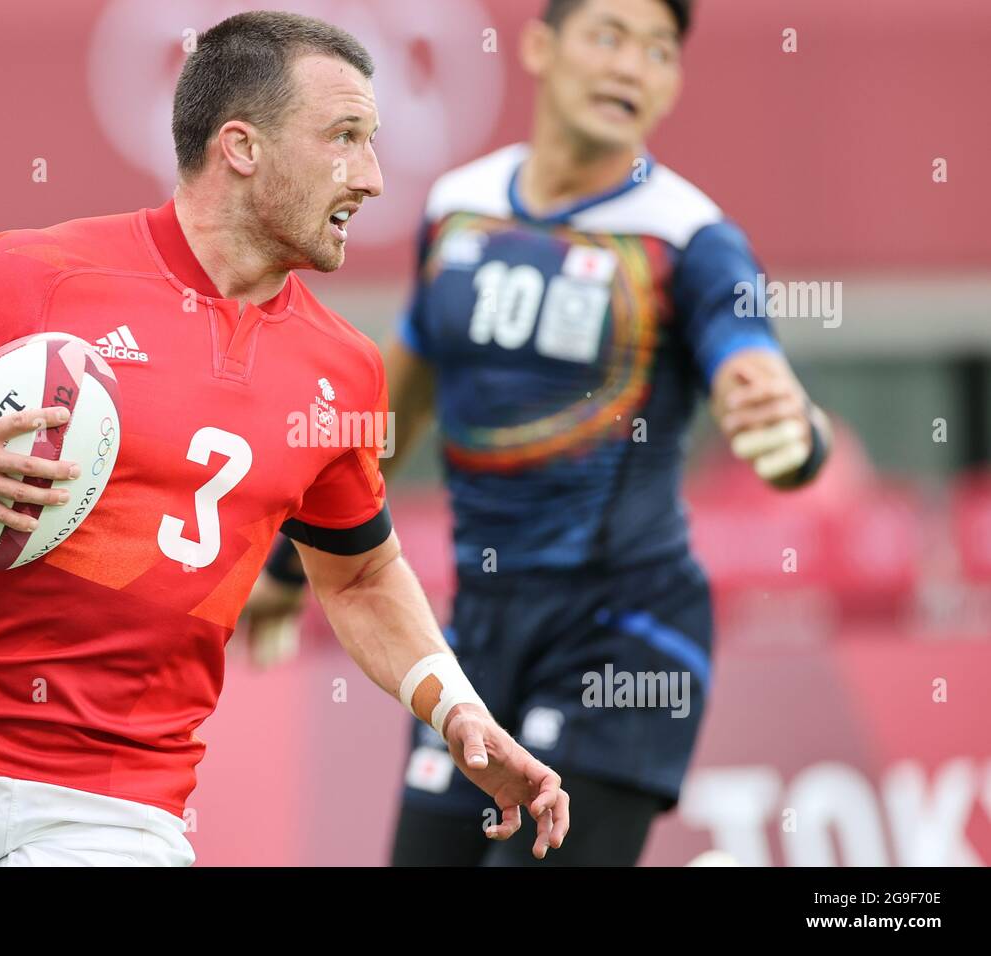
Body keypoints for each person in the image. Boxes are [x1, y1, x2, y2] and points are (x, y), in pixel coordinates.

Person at [0, 11, 571, 867]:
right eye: (345, 137)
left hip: (117, 813)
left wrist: (458, 710)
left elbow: (363, 574)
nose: (373, 176)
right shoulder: (29, 276)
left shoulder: (344, 371)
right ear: (242, 146)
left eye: (373, 140)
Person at [243, 0, 832, 866]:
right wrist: (296, 561)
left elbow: (760, 377)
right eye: (610, 36)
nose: (632, 65)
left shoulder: (693, 240)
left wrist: (793, 427)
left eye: (660, 51)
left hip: (626, 639)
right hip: (474, 641)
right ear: (541, 45)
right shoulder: (458, 206)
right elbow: (397, 406)